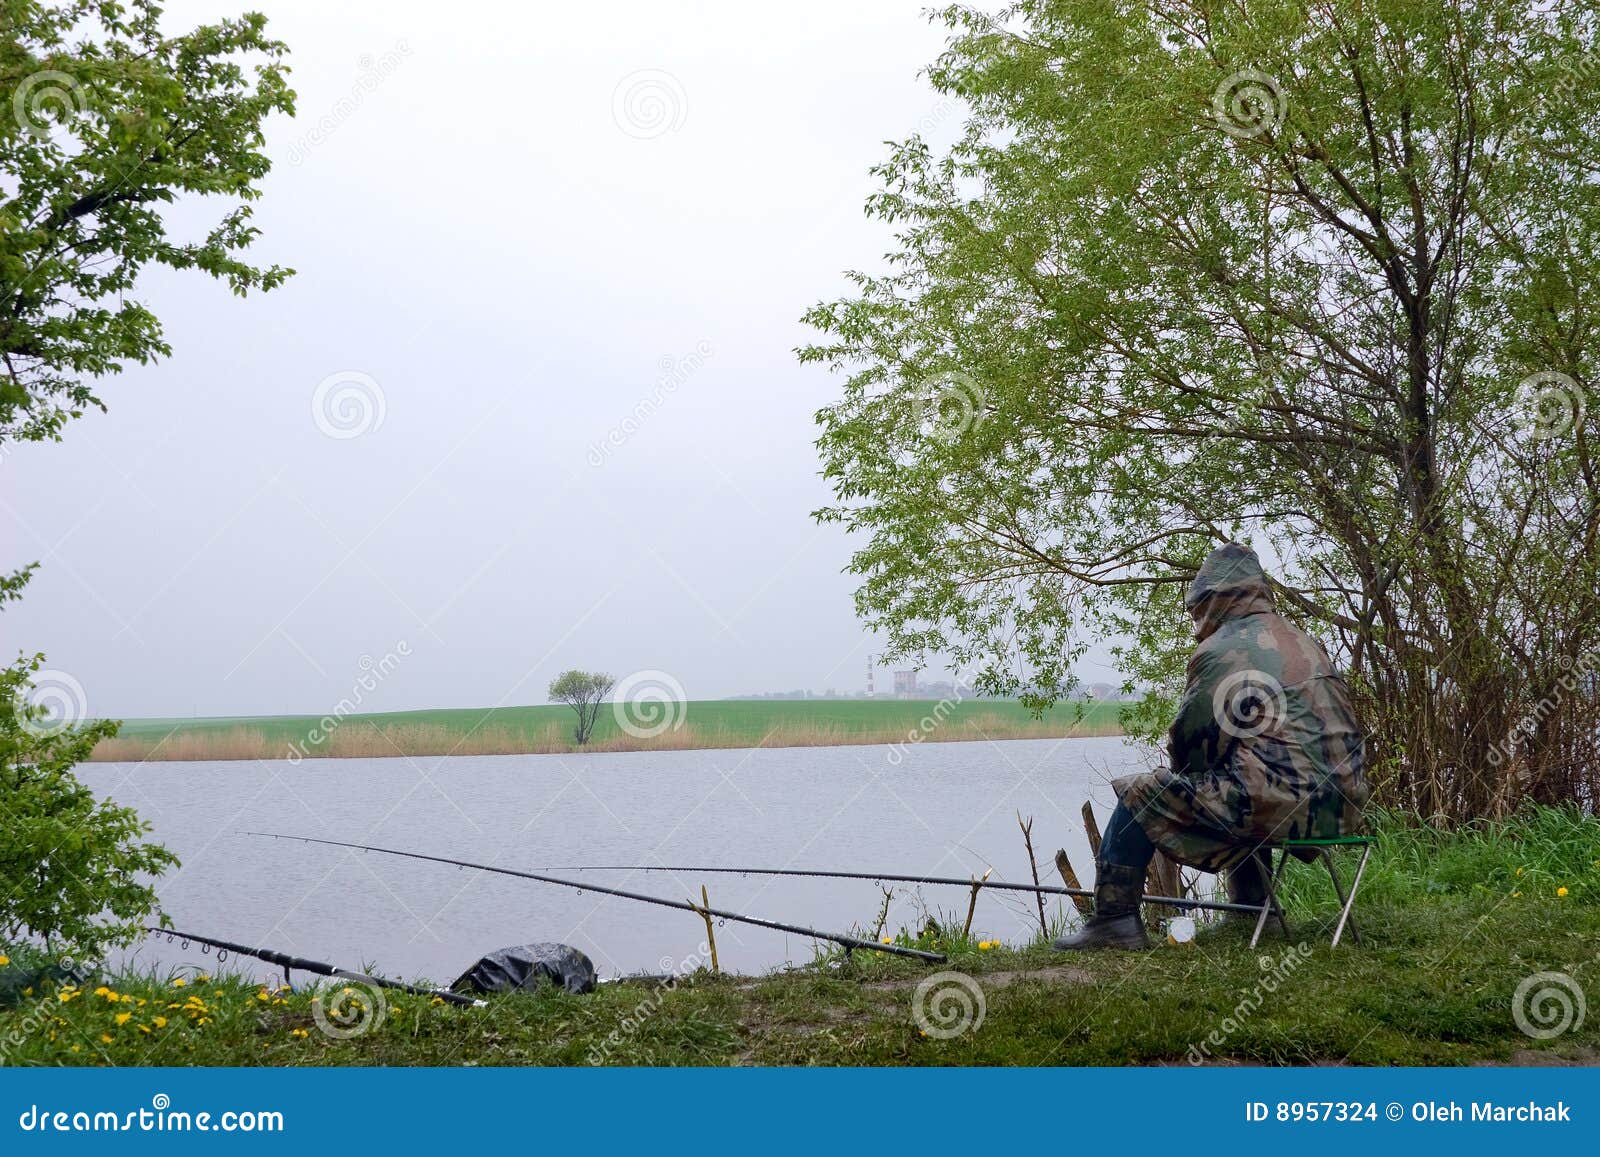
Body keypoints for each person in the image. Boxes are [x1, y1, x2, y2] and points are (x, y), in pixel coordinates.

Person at [1054, 543, 1369, 951]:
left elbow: (1190, 743)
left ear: (1213, 601)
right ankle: (1254, 912)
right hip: (1344, 806)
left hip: (1287, 807)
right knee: (1246, 779)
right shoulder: (1303, 641)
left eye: (1197, 609)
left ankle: (1114, 921)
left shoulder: (1222, 650)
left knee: (1140, 793)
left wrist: (1182, 778)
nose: (1196, 620)